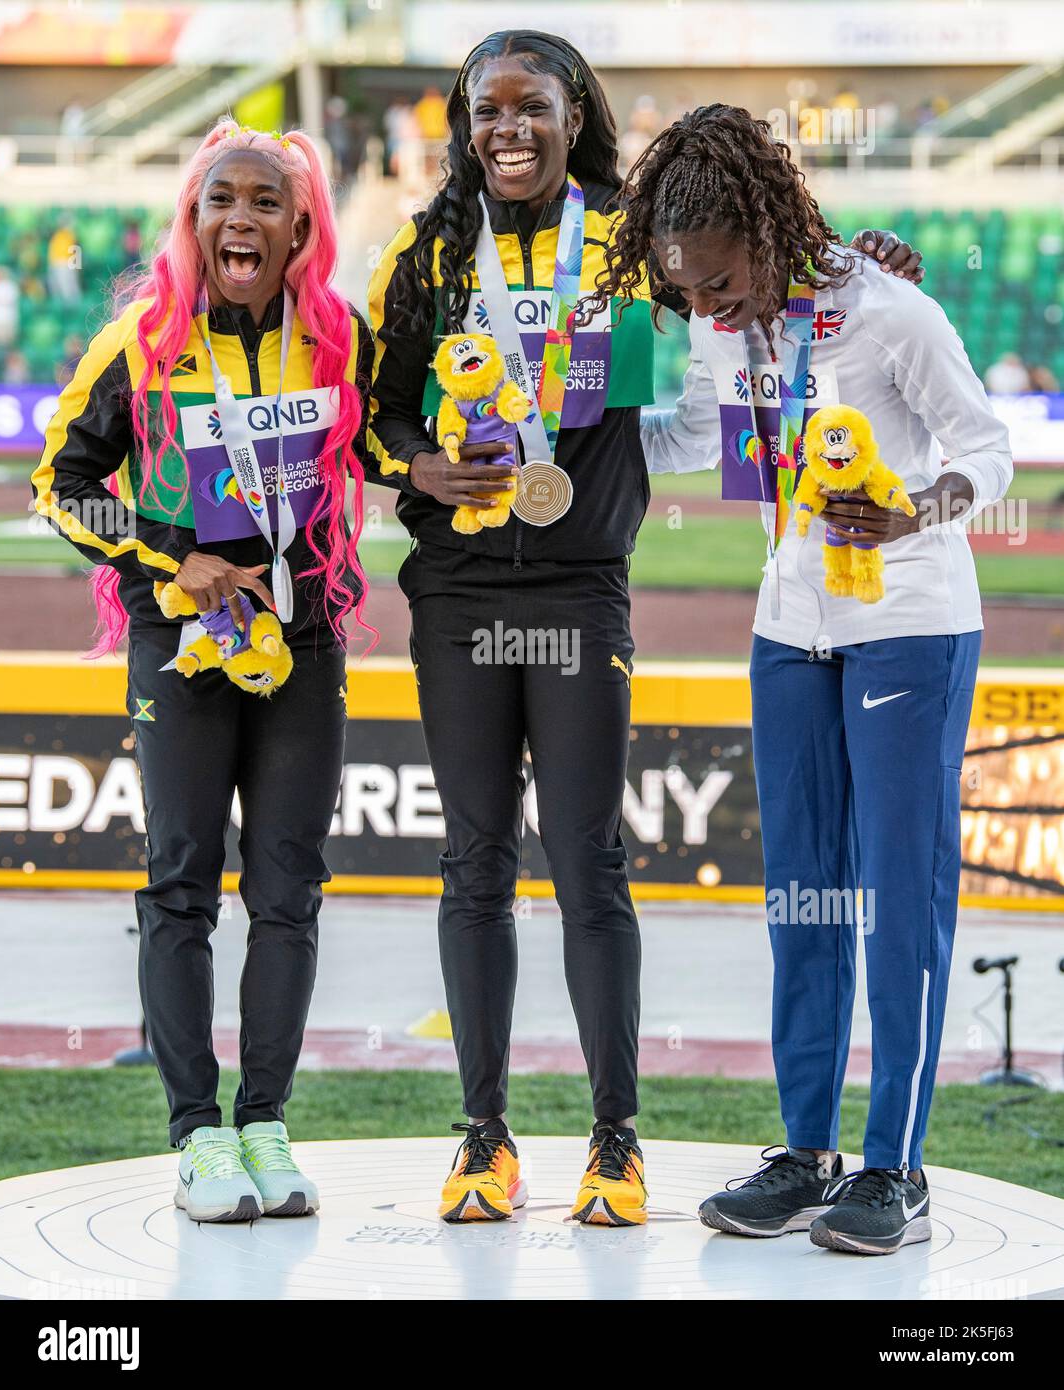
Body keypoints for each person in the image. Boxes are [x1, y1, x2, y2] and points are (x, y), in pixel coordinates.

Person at [366, 32, 920, 1228]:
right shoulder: (424, 250)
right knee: (471, 862)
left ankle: (614, 1142)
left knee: (586, 860)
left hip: (578, 587)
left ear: (577, 114)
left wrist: (857, 268)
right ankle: (483, 1138)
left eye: (532, 107)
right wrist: (417, 462)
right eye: (484, 110)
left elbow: (759, 282)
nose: (506, 129)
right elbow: (374, 408)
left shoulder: (630, 238)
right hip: (458, 591)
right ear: (465, 124)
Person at [611, 103, 1011, 1254]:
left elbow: (983, 448)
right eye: (685, 291)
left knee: (898, 904)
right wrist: (574, 431)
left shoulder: (889, 312)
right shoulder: (712, 323)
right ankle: (805, 1152)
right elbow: (690, 438)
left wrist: (910, 511)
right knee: (802, 900)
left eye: (721, 283)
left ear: (766, 229)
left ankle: (896, 1169)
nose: (705, 307)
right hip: (787, 626)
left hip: (909, 624)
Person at [32, 121, 372, 1223]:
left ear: (299, 228)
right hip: (180, 646)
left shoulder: (336, 340)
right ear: (194, 219)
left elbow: (398, 433)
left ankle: (266, 1121)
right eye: (221, 199)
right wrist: (173, 558)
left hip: (301, 641)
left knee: (287, 889)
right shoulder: (140, 340)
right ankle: (197, 1136)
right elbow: (60, 481)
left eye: (265, 202)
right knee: (180, 882)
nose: (242, 218)